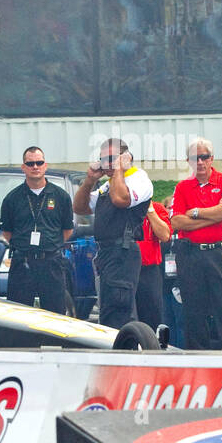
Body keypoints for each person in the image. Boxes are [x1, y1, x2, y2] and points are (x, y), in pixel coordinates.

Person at [168, 139, 222, 349]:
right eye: (194, 158)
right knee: (193, 313)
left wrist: (197, 213)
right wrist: (214, 216)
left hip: (218, 253)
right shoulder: (182, 187)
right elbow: (176, 222)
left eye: (204, 157)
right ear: (188, 161)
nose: (200, 162)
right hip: (190, 255)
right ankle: (197, 361)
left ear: (212, 159)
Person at [75, 139, 153, 330]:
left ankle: (124, 354)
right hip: (106, 253)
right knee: (107, 311)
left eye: (111, 158)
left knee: (119, 311)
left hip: (123, 253)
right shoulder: (108, 184)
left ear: (126, 157)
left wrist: (119, 169)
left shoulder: (138, 179)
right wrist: (90, 180)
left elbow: (121, 199)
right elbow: (80, 207)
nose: (106, 164)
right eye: (102, 159)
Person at [1, 146, 74, 315]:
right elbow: (7, 232)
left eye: (39, 162)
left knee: (56, 314)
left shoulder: (60, 196)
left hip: (51, 263)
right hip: (22, 263)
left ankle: (55, 343)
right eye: (30, 163)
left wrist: (49, 245)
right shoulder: (13, 198)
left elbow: (67, 230)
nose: (35, 167)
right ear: (23, 167)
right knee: (17, 315)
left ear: (45, 165)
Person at [136, 200, 172, 330]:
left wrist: (150, 211)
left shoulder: (157, 208)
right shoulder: (121, 206)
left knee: (152, 318)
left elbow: (165, 235)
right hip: (124, 270)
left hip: (148, 271)